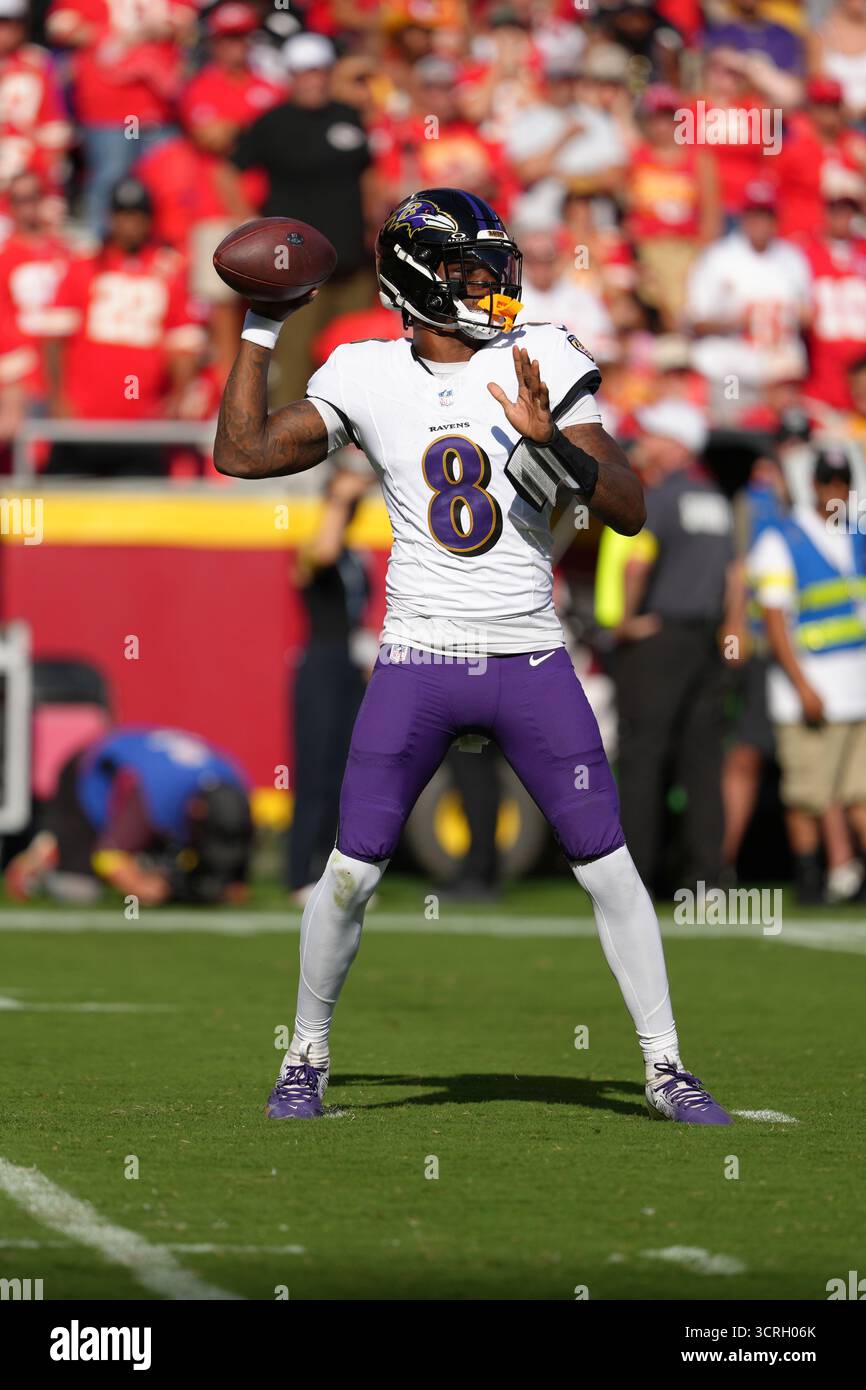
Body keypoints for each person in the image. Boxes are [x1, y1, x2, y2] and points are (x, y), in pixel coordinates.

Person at [214, 186, 731, 1125]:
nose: (489, 281)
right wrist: (259, 326)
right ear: (416, 280)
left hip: (531, 654)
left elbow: (627, 507)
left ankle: (665, 1067)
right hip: (418, 656)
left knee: (609, 868)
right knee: (351, 871)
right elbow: (241, 453)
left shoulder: (544, 352)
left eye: (491, 262)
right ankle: (306, 1055)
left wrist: (560, 453)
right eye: (464, 267)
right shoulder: (366, 371)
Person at [613, 399, 734, 893]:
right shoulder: (717, 500)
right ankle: (708, 877)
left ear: (679, 446)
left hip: (659, 641)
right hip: (706, 641)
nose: (647, 443)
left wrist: (625, 620)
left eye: (658, 435)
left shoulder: (660, 496)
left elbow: (637, 564)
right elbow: (734, 574)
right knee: (702, 762)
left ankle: (639, 877)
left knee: (643, 758)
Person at [748, 450, 866, 903]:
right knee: (807, 793)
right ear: (814, 486)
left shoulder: (855, 535)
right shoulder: (783, 538)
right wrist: (802, 685)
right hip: (811, 686)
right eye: (828, 482)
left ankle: (846, 877)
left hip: (854, 687)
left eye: (843, 482)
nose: (836, 491)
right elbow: (776, 621)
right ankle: (809, 879)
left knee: (854, 791)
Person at [44, 177, 206, 475]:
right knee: (67, 509)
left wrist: (177, 399)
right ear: (110, 218)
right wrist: (58, 398)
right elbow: (55, 338)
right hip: (81, 420)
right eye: (123, 215)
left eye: (137, 215)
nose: (130, 224)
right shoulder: (83, 266)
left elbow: (184, 346)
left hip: (142, 427)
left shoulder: (169, 271)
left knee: (139, 514)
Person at [5, 726, 252, 906]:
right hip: (87, 772)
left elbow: (234, 883)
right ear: (195, 812)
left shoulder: (233, 788)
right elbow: (109, 857)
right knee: (79, 891)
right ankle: (45, 858)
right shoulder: (152, 795)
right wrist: (139, 885)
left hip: (143, 770)